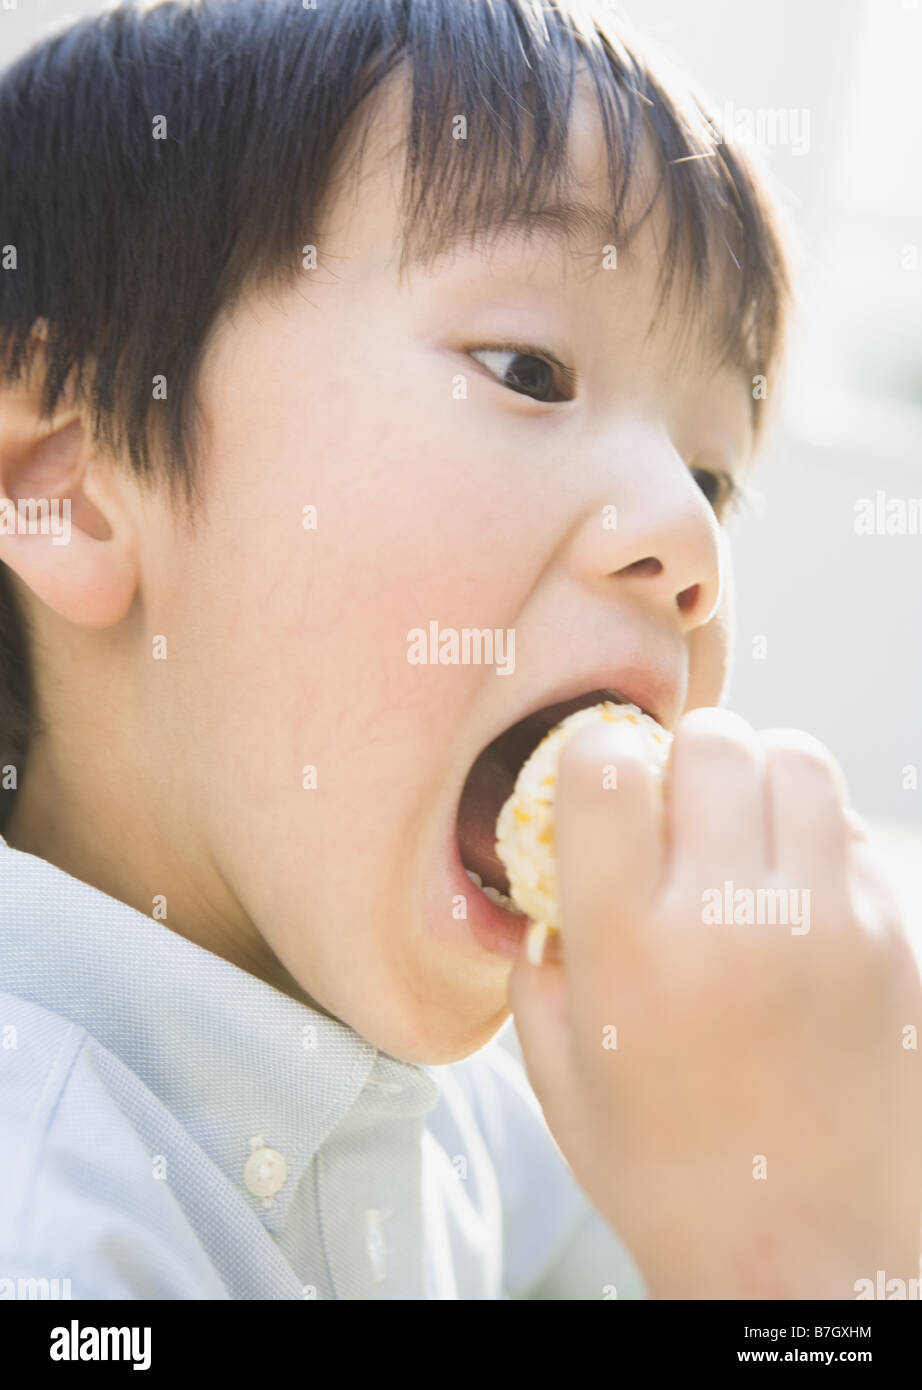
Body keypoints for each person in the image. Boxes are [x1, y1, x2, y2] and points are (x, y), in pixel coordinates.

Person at [0, 0, 918, 1300]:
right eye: (528, 370)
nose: (686, 542)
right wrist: (808, 1262)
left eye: (710, 478)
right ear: (76, 480)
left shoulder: (478, 1115)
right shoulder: (46, 1236)